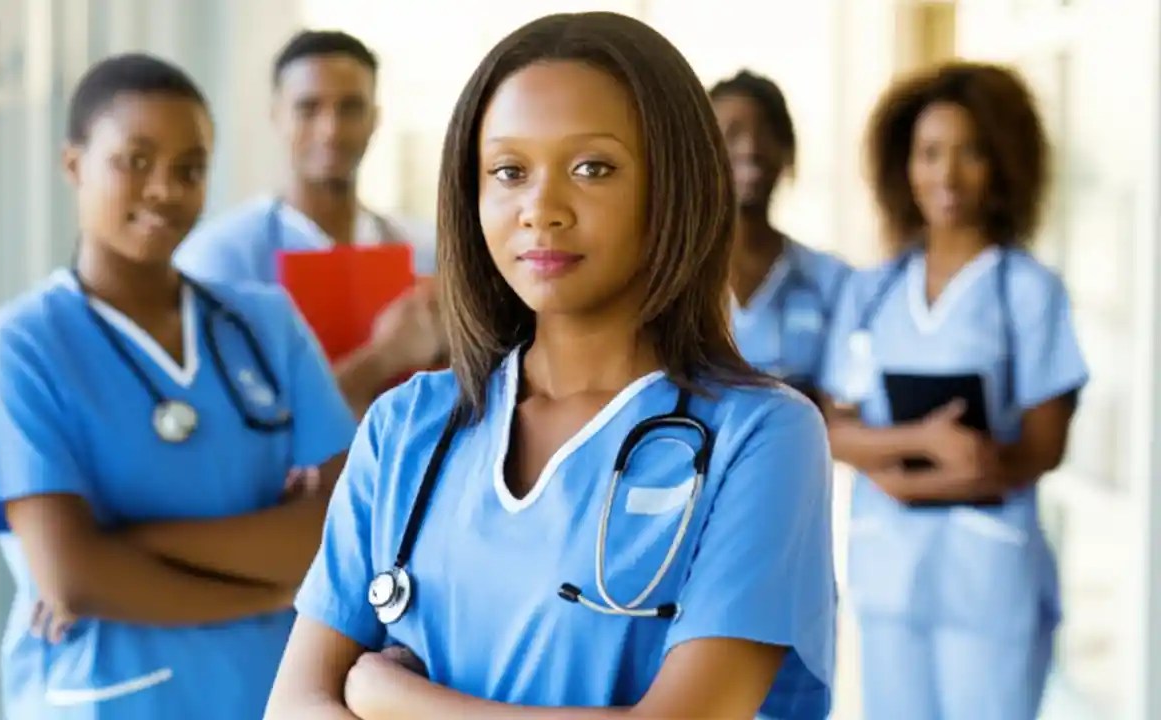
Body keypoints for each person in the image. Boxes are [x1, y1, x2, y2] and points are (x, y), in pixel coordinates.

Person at [266, 12, 835, 720]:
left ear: (673, 185)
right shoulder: (407, 426)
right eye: (508, 171)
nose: (542, 209)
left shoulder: (761, 437)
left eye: (592, 168)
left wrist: (392, 697)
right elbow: (294, 707)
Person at [0, 54, 357, 719]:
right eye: (135, 161)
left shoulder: (264, 323)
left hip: (265, 694)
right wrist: (275, 592)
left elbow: (340, 533)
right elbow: (75, 578)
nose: (165, 189)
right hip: (107, 697)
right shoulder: (24, 345)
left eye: (190, 169)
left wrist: (134, 544)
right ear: (73, 164)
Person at [818, 61, 1088, 719]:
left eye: (970, 152)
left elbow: (1044, 447)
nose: (947, 175)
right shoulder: (871, 291)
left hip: (987, 571)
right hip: (890, 573)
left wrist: (958, 470)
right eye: (930, 153)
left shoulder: (1026, 290)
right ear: (902, 165)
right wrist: (923, 448)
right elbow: (830, 425)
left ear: (1003, 163)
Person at [174, 30, 444, 412]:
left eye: (350, 108)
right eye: (308, 108)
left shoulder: (427, 251)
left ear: (375, 119)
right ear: (276, 115)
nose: (330, 130)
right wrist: (383, 358)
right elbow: (239, 426)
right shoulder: (219, 259)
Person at [709, 70, 850, 404]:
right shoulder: (673, 277)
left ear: (787, 149)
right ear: (703, 151)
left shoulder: (831, 280)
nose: (751, 148)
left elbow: (842, 405)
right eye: (732, 134)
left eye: (766, 133)